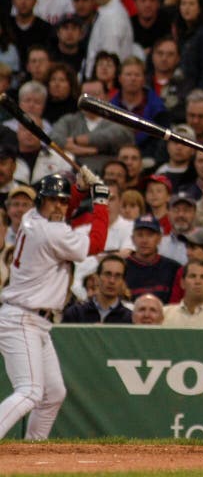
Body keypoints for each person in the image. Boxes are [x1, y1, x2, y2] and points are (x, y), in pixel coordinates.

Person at [0, 171, 109, 440]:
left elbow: (60, 213)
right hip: (21, 319)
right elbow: (96, 243)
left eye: (62, 200)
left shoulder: (31, 219)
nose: (59, 206)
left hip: (36, 321)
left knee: (53, 393)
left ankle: (32, 449)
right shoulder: (50, 233)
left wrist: (80, 190)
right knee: (30, 391)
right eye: (52, 201)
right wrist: (101, 202)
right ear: (40, 202)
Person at [62, 254, 133, 323]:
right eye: (107, 274)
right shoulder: (75, 314)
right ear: (98, 278)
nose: (112, 281)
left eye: (117, 276)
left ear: (123, 281)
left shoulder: (129, 319)